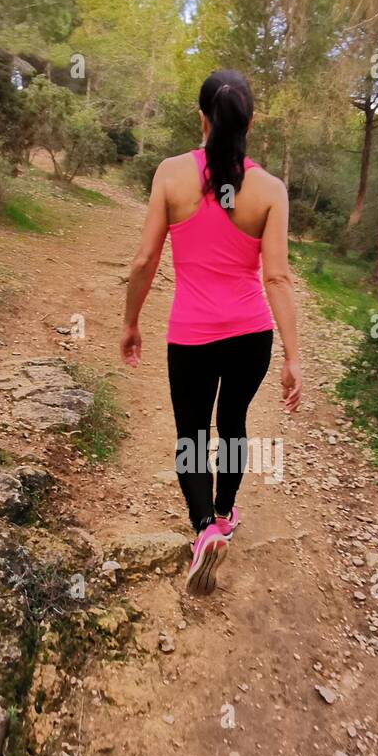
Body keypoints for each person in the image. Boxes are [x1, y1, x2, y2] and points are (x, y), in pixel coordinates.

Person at [121, 68, 302, 595]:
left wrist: (130, 322)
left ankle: (205, 530)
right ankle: (225, 512)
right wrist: (293, 356)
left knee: (192, 434)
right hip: (252, 336)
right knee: (235, 423)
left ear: (202, 118)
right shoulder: (269, 190)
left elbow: (144, 260)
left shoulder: (171, 175)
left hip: (193, 336)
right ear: (251, 121)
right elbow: (277, 277)